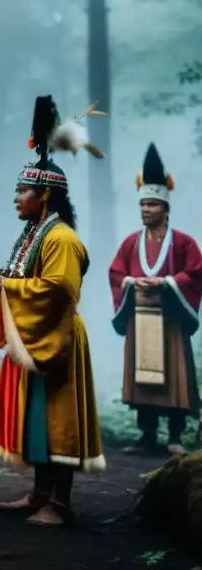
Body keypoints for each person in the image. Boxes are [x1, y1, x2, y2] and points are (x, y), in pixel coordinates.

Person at [0, 95, 105, 527]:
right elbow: (25, 279)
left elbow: (60, 290)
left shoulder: (60, 238)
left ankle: (58, 504)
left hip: (57, 337)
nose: (16, 198)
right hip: (37, 335)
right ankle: (38, 494)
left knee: (58, 421)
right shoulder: (33, 234)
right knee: (39, 421)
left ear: (44, 195)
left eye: (22, 190)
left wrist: (4, 284)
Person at [109, 143, 201, 456]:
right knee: (142, 373)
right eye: (143, 205)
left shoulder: (184, 243)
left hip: (170, 318)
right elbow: (115, 273)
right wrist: (131, 282)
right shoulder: (130, 244)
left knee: (174, 374)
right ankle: (147, 434)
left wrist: (168, 282)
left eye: (152, 204)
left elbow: (197, 273)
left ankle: (175, 435)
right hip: (140, 318)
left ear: (165, 207)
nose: (146, 209)